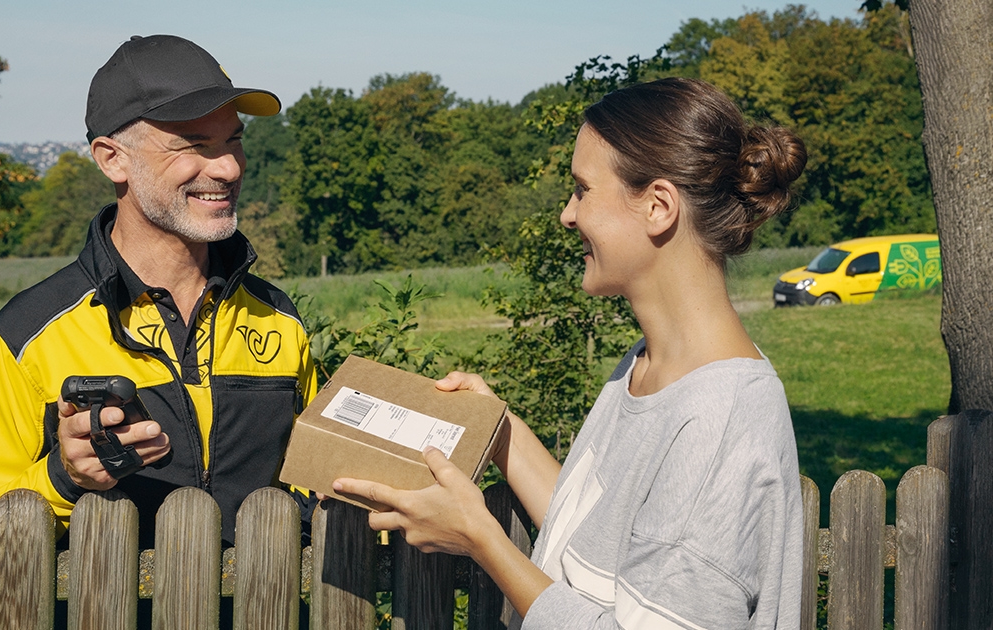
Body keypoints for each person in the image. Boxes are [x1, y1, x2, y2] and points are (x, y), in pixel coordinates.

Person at [334, 78, 807, 628]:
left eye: (582, 190)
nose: (567, 214)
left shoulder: (721, 422)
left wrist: (482, 539)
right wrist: (500, 430)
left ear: (658, 207)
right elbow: (590, 533)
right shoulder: (646, 365)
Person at [0, 35, 317, 550]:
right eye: (193, 145)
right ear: (111, 159)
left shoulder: (278, 317)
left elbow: (319, 485)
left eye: (233, 141)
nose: (229, 168)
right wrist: (61, 478)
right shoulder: (25, 336)